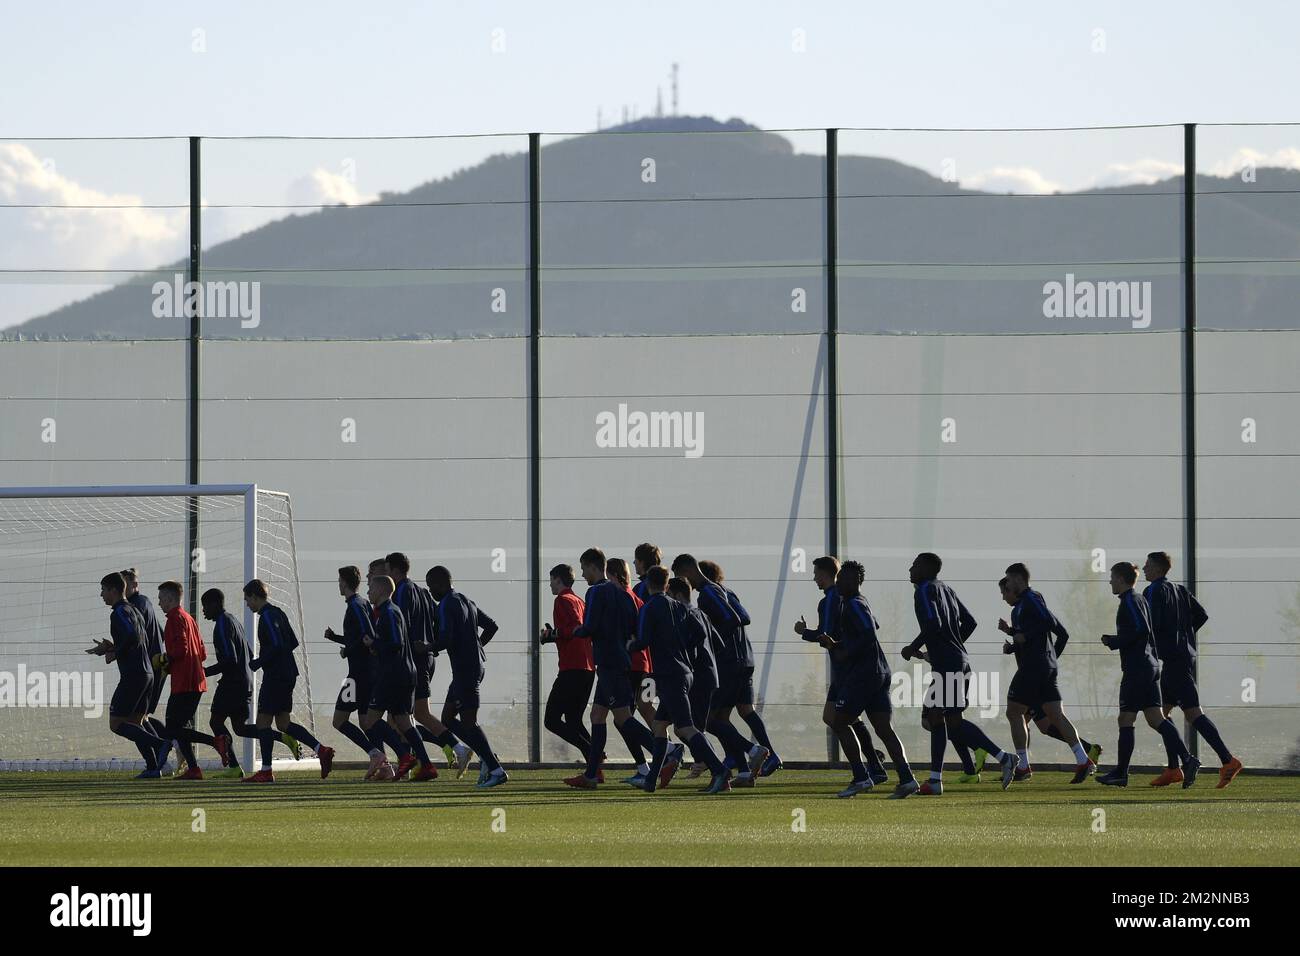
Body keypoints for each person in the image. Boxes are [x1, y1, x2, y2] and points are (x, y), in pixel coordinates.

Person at [902, 552, 1020, 794]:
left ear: (925, 568)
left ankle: (937, 780)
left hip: (947, 664)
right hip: (958, 660)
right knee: (950, 722)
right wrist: (950, 644)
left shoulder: (923, 589)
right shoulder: (946, 588)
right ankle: (1003, 759)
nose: (910, 569)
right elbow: (970, 622)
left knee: (936, 718)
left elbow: (932, 625)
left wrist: (913, 648)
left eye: (914, 565)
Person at [1142, 551, 1242, 788]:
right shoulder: (1180, 590)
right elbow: (1202, 615)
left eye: (1147, 565)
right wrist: (1184, 635)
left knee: (1192, 713)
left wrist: (1152, 647)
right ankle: (1174, 768)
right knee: (1161, 714)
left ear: (1157, 569)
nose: (1144, 569)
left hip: (1174, 661)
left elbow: (1151, 626)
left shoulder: (1154, 591)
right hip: (1181, 658)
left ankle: (1228, 760)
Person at [626, 568, 730, 795]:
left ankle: (720, 770)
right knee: (660, 725)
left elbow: (642, 641)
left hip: (670, 676)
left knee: (685, 727)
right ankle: (651, 780)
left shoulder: (650, 607)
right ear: (666, 584)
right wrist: (686, 651)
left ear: (648, 585)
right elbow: (700, 634)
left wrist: (629, 644)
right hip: (684, 673)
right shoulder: (680, 607)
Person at [1097, 562, 1200, 789]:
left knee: (1126, 719)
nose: (1110, 581)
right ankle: (1188, 760)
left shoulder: (1130, 601)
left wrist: (1114, 641)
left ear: (1122, 580)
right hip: (1150, 666)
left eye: (1113, 577)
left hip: (1137, 669)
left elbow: (1142, 629)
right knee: (1156, 719)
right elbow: (1145, 630)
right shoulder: (1140, 599)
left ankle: (1121, 773)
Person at [241, 579, 334, 783]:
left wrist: (259, 662)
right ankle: (321, 749)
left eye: (248, 600)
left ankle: (266, 771)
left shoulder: (266, 617)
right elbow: (291, 642)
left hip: (276, 676)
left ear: (256, 597)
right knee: (283, 723)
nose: (248, 605)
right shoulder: (279, 613)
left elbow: (275, 645)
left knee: (263, 723)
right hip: (289, 673)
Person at [428, 566, 507, 789]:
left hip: (466, 670)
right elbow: (492, 626)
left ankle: (495, 768)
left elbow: (446, 639)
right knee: (447, 718)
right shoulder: (465, 600)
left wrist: (427, 647)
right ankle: (485, 756)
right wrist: (476, 647)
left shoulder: (446, 604)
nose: (431, 591)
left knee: (469, 722)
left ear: (440, 583)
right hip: (471, 667)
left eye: (431, 585)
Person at [87, 572, 167, 778]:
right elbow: (140, 641)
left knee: (116, 724)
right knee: (135, 722)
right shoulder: (134, 610)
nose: (101, 594)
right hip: (147, 673)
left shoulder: (119, 612)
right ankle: (152, 768)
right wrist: (112, 647)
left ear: (114, 590)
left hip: (134, 675)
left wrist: (113, 651)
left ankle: (161, 744)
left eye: (103, 590)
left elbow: (131, 638)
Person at [156, 580, 222, 779]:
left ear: (169, 599)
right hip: (196, 679)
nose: (159, 603)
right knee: (180, 728)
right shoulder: (189, 618)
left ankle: (215, 742)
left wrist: (164, 659)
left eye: (161, 599)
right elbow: (202, 652)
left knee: (172, 728)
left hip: (184, 682)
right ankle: (194, 769)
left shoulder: (174, 618)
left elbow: (181, 649)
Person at [540, 564, 598, 772]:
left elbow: (574, 627)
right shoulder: (579, 601)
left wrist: (552, 634)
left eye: (551, 580)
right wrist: (553, 635)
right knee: (574, 720)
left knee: (552, 720)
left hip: (572, 667)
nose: (549, 585)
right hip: (588, 667)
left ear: (558, 579)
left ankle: (594, 754)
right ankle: (594, 768)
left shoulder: (562, 600)